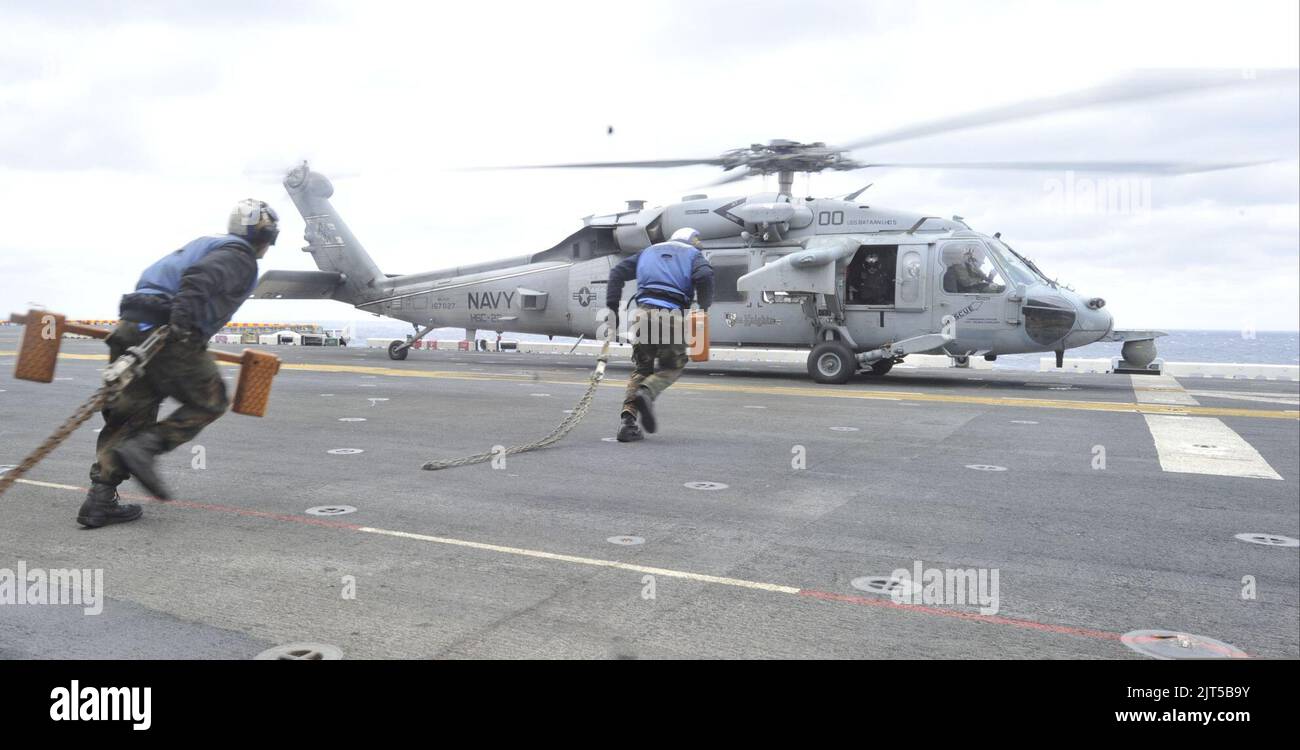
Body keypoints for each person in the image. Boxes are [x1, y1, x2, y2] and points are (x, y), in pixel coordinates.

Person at [77, 199, 279, 528]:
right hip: (166, 330)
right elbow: (199, 279)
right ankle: (147, 447)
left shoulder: (207, 244)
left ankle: (100, 501)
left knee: (128, 414)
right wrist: (182, 331)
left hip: (131, 325)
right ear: (265, 237)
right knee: (210, 400)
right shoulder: (239, 256)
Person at [605, 227, 713, 442]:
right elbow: (705, 275)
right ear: (693, 241)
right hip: (671, 315)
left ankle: (628, 424)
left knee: (641, 369)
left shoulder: (647, 251)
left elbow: (617, 272)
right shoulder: (693, 254)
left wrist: (612, 309)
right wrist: (703, 307)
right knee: (672, 367)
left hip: (642, 314)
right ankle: (648, 391)